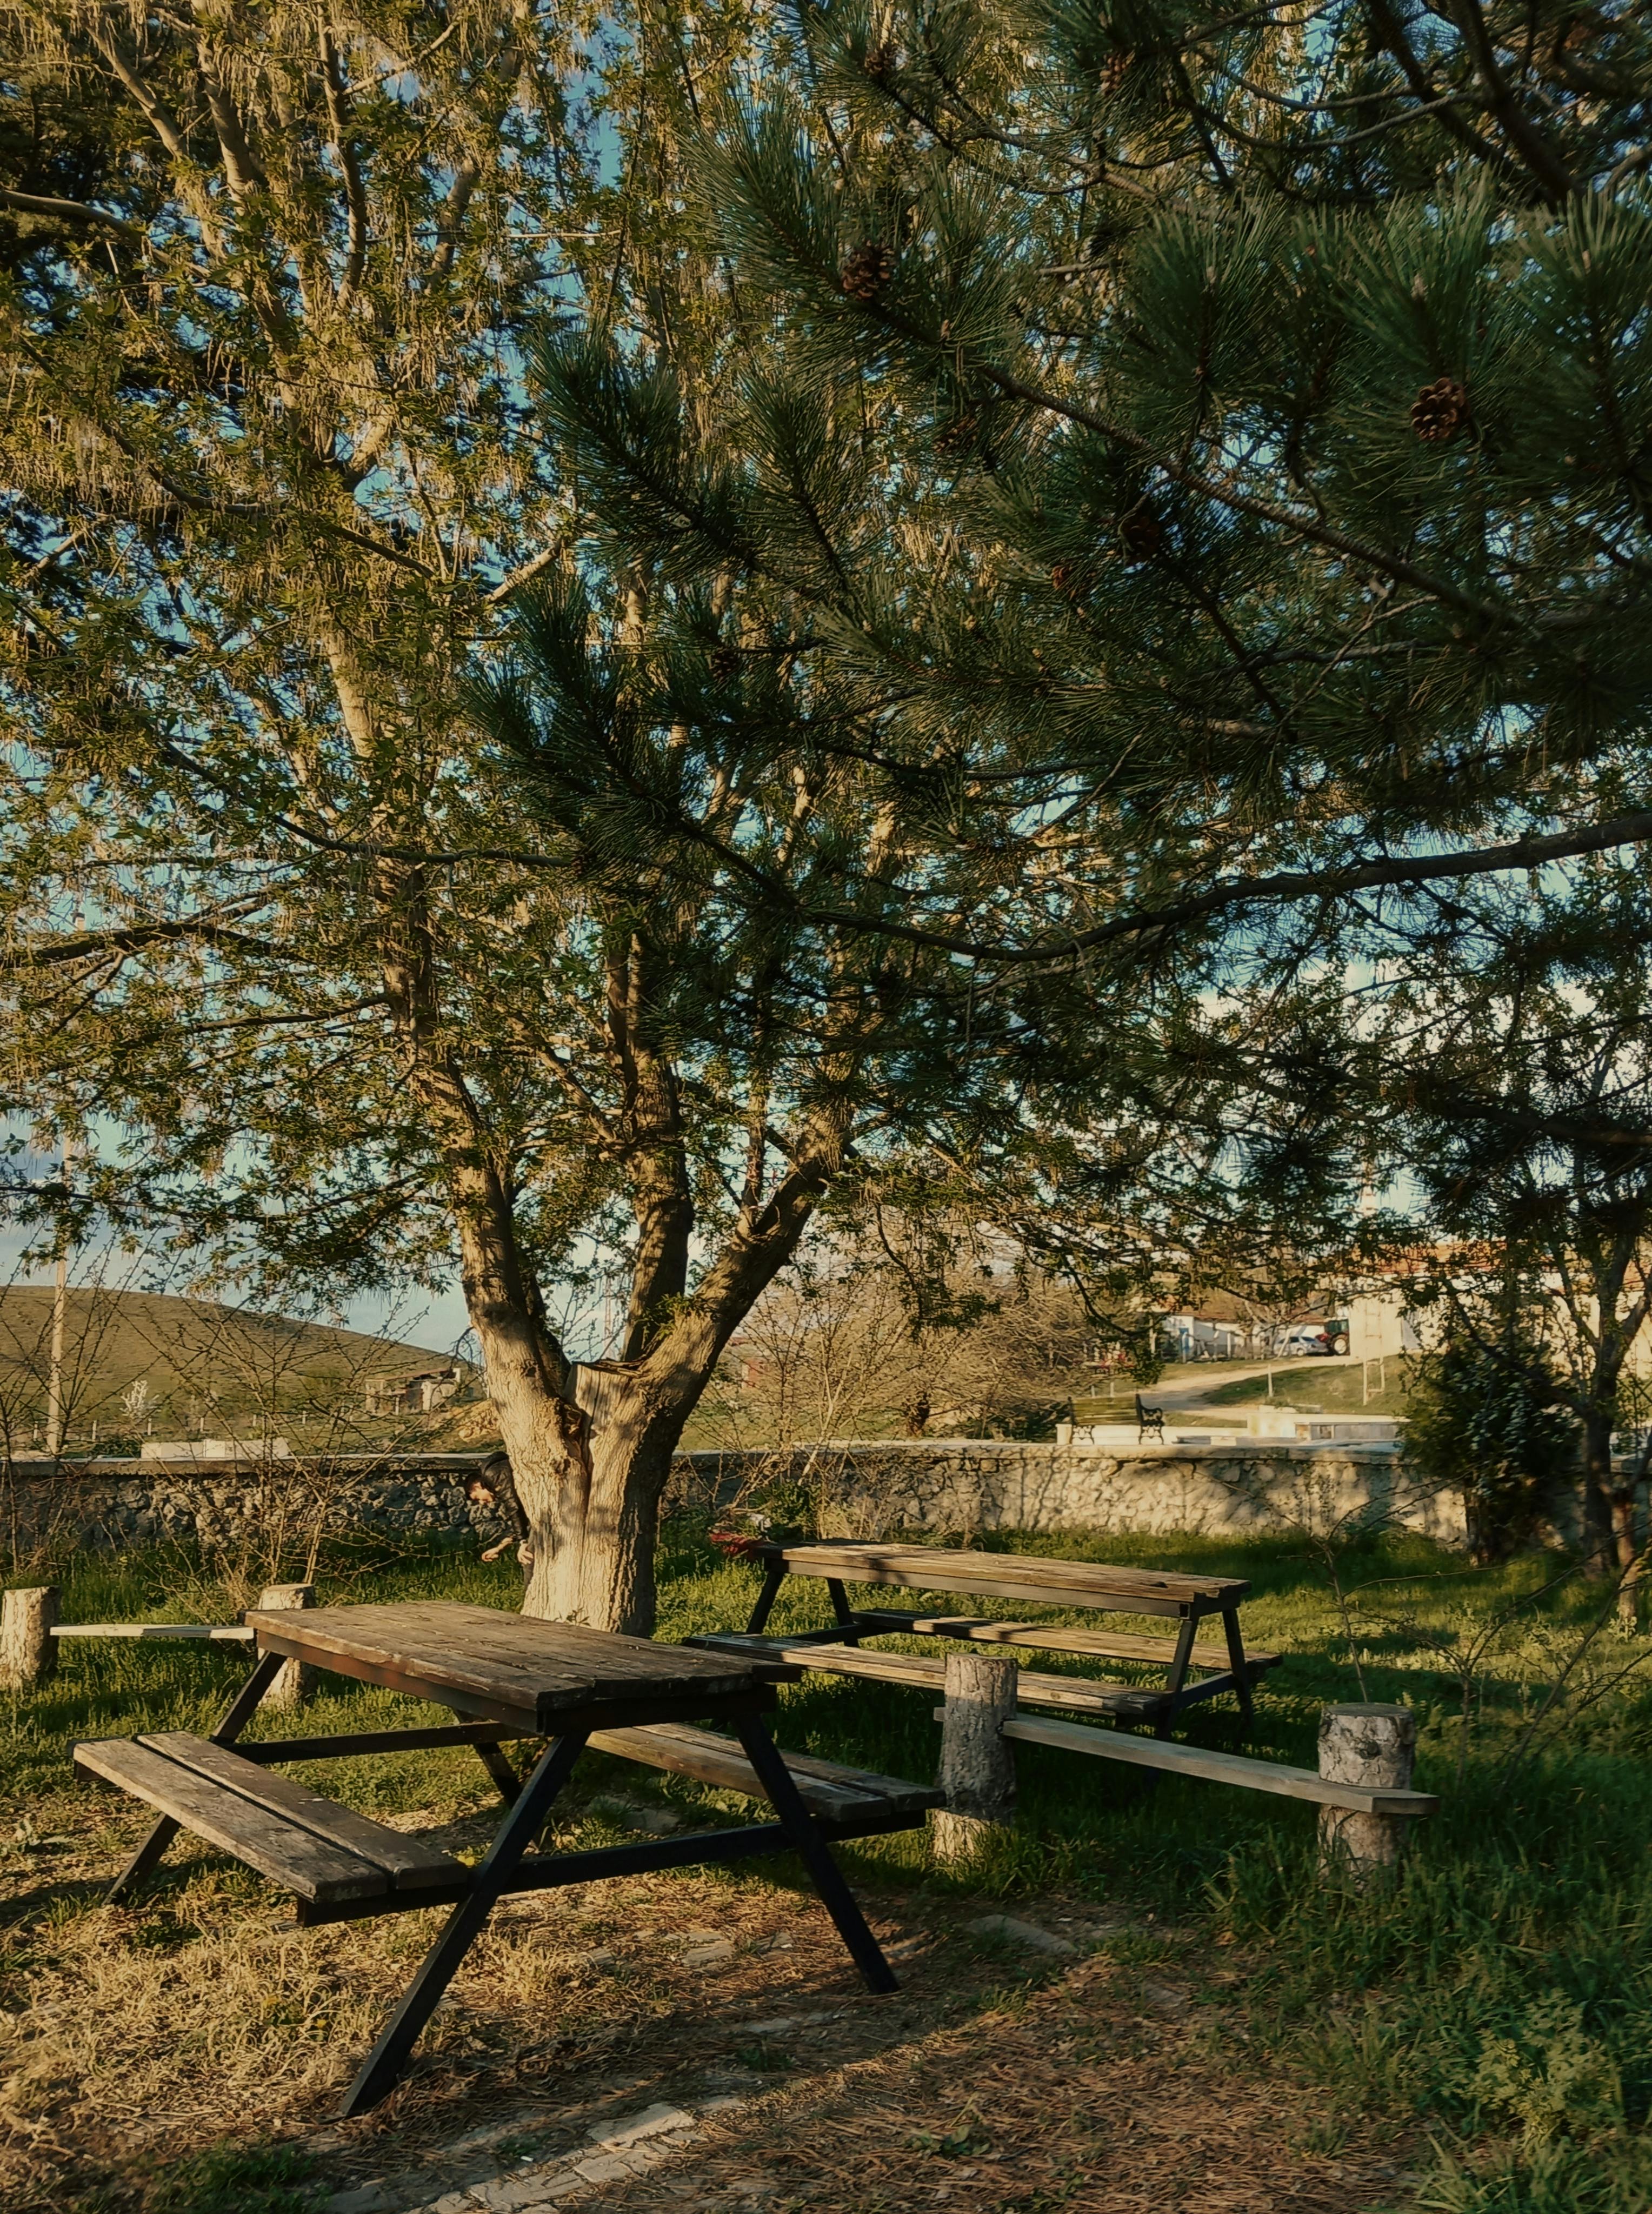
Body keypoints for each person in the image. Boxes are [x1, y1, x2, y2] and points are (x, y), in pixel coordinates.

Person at [463, 1451, 535, 1577]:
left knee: (529, 1562)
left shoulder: (493, 1475)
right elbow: (518, 1521)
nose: (481, 1503)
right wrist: (499, 1548)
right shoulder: (496, 1474)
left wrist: (523, 1543)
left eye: (477, 1499)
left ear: (477, 1486)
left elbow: (514, 1508)